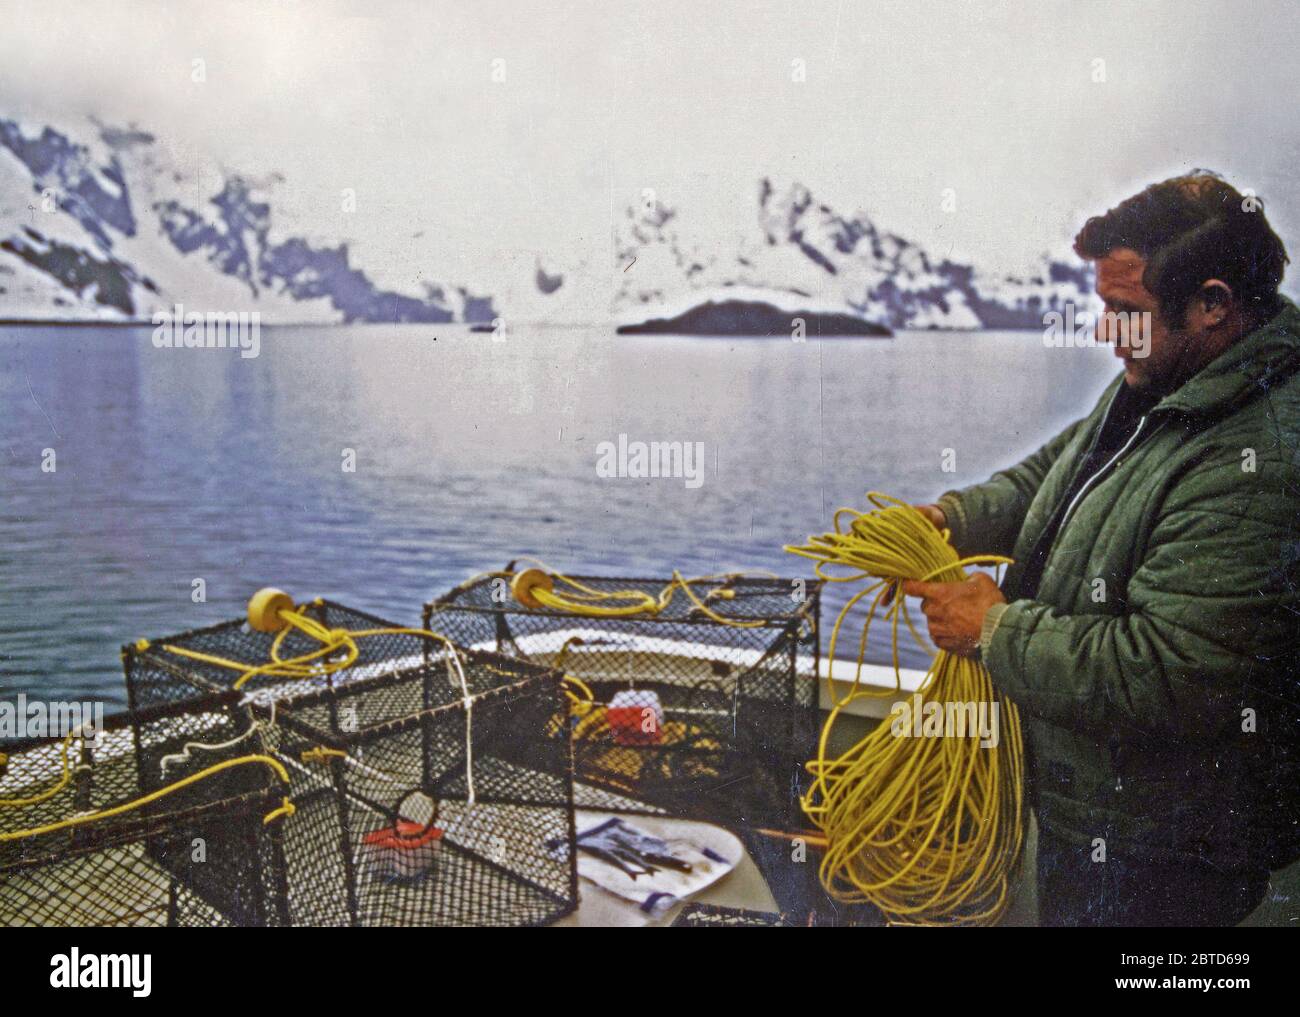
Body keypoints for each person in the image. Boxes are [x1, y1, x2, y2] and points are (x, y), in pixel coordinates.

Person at [902, 171, 1299, 926]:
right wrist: (949, 519)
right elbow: (1055, 475)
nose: (1103, 333)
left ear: (1212, 303)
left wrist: (995, 628)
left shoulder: (1262, 458)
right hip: (1094, 814)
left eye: (1126, 312)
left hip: (1168, 853)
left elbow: (1172, 674)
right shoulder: (1169, 377)